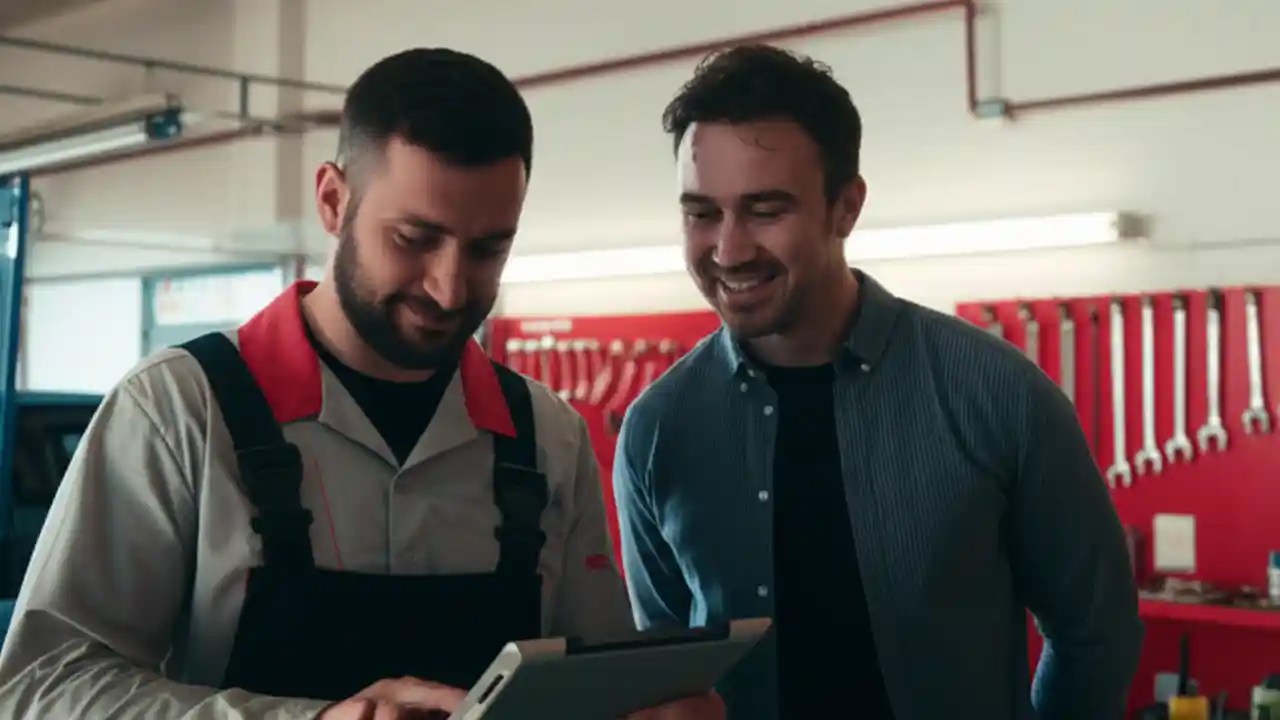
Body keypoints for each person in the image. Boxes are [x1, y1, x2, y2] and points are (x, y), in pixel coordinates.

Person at [0, 48, 722, 720]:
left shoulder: (544, 437)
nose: (449, 287)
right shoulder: (178, 413)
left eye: (486, 249)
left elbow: (585, 683)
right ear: (332, 199)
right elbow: (40, 685)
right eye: (414, 239)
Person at [613, 44, 1144, 720]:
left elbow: (1096, 633)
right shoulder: (659, 429)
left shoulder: (998, 395)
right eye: (702, 213)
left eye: (766, 209)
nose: (729, 249)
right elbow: (670, 670)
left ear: (845, 207)